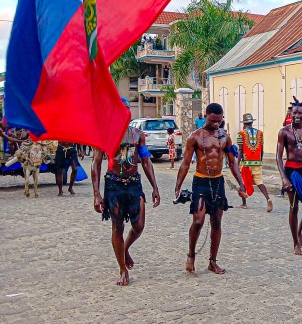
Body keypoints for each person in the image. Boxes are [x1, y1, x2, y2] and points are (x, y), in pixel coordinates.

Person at [91, 97, 161, 286]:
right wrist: (96, 193)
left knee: (139, 226)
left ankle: (126, 248)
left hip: (133, 184)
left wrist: (155, 187)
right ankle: (122, 269)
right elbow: (96, 163)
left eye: (126, 111)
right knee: (117, 227)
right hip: (113, 185)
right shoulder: (104, 134)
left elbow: (146, 161)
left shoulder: (138, 135)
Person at [175, 103, 246, 275]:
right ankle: (191, 255)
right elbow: (185, 163)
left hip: (218, 182)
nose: (216, 124)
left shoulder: (225, 137)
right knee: (198, 220)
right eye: (212, 120)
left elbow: (232, 162)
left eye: (219, 121)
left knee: (216, 222)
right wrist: (177, 186)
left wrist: (241, 184)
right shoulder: (195, 137)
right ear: (206, 116)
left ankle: (213, 262)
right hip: (200, 182)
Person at [276, 98, 302, 256]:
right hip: (291, 171)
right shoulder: (284, 132)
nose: (297, 115)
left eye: (300, 113)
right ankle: (295, 242)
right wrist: (284, 178)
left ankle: (300, 230)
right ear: (290, 113)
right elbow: (279, 157)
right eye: (294, 113)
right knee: (293, 207)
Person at [237, 113, 272, 212]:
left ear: (244, 123)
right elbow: (261, 150)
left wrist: (237, 163)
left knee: (243, 182)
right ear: (252, 122)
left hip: (246, 163)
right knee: (259, 182)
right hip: (257, 161)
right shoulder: (260, 133)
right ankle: (268, 198)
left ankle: (244, 203)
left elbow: (240, 150)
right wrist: (260, 160)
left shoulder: (241, 134)